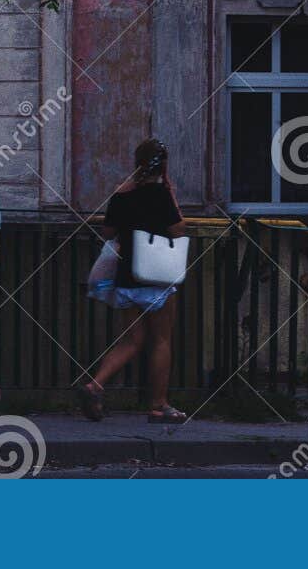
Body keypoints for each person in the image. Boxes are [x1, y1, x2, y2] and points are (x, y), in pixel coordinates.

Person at [77, 137, 188, 424]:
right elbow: (178, 230)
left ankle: (94, 385)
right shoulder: (161, 194)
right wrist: (172, 195)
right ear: (163, 166)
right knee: (161, 340)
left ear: (137, 163)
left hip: (127, 277)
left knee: (132, 341)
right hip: (157, 277)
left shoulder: (121, 194)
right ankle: (159, 405)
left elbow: (108, 231)